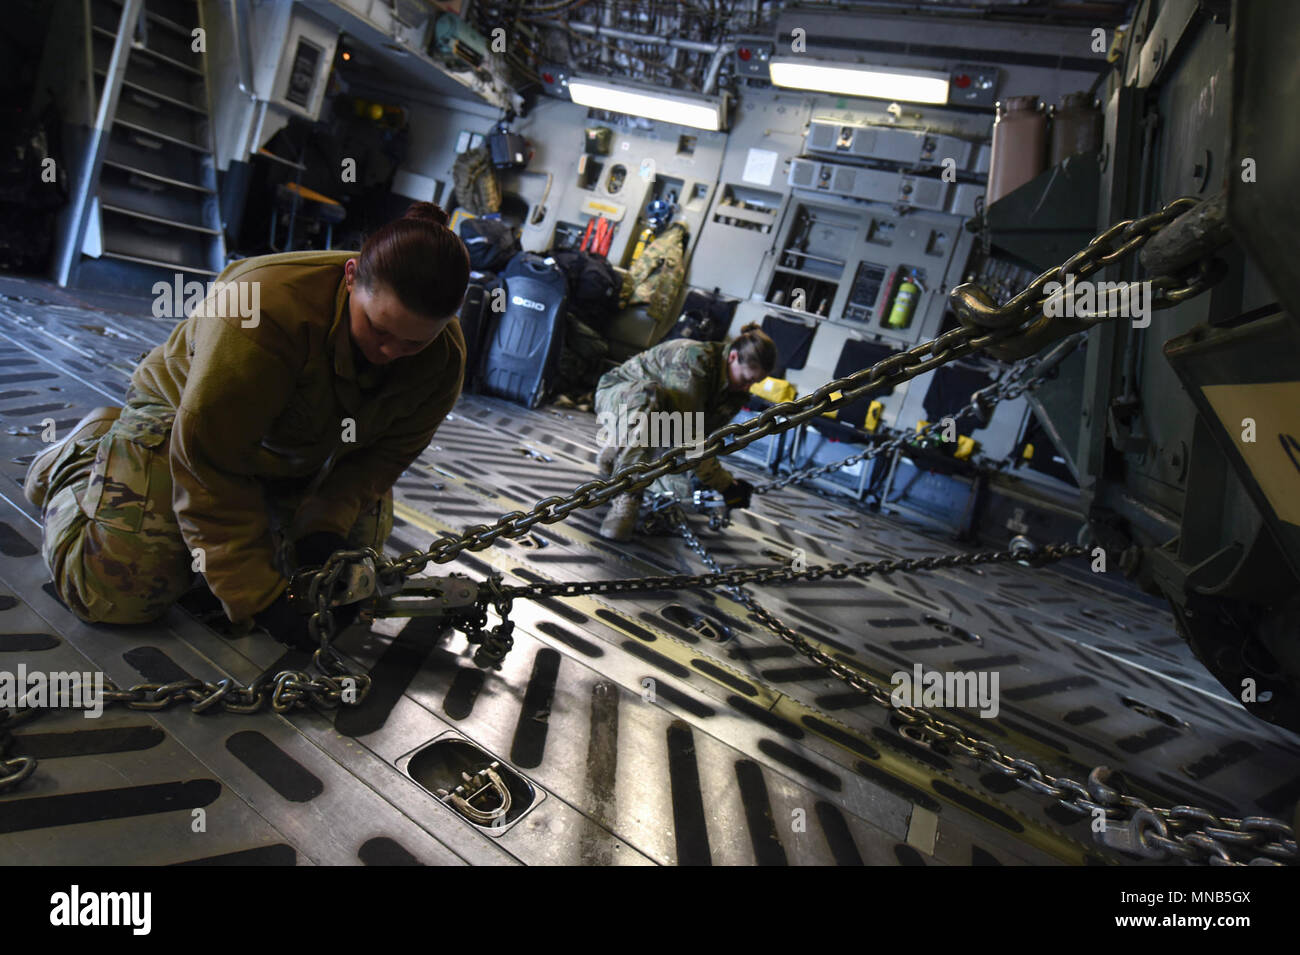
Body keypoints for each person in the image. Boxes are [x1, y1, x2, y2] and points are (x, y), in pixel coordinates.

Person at [23, 202, 470, 649]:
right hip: (185, 426)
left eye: (414, 343)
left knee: (345, 574)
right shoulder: (261, 308)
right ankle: (83, 457)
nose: (390, 353)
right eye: (378, 329)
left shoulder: (443, 360)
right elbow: (209, 461)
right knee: (117, 591)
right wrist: (261, 599)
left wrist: (323, 529)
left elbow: (375, 464)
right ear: (351, 276)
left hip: (296, 450)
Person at [594, 323, 777, 540]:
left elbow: (701, 441)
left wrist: (726, 485)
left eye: (754, 383)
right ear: (733, 357)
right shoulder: (693, 361)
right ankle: (627, 496)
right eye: (746, 379)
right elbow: (687, 434)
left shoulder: (733, 393)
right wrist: (724, 484)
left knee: (683, 492)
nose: (747, 387)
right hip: (620, 398)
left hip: (665, 421)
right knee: (649, 396)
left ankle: (618, 453)